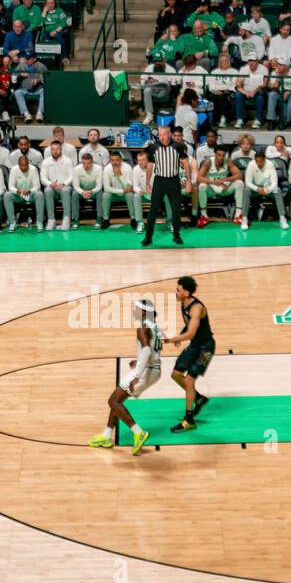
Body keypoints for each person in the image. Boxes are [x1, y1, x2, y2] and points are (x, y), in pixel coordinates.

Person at [90, 298, 163, 455]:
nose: (133, 311)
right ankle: (106, 436)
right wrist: (138, 361)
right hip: (153, 369)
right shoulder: (154, 326)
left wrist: (137, 375)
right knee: (118, 399)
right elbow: (152, 349)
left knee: (113, 401)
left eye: (136, 309)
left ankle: (138, 432)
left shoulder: (142, 327)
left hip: (146, 371)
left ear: (143, 312)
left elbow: (147, 351)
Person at [165, 276, 214, 434]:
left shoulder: (196, 307)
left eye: (178, 290)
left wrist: (171, 339)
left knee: (189, 380)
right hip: (195, 346)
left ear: (186, 292)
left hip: (205, 348)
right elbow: (189, 326)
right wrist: (181, 333)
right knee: (176, 374)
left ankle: (189, 420)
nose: (175, 292)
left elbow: (191, 332)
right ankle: (198, 398)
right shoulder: (183, 303)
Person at [140, 123, 192, 247]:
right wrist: (148, 183)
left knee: (176, 210)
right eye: (160, 134)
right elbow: (150, 166)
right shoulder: (153, 147)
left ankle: (176, 235)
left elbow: (185, 163)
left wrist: (189, 181)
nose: (162, 137)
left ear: (169, 135)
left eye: (164, 134)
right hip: (159, 181)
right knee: (153, 210)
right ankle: (148, 237)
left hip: (173, 181)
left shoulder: (178, 146)